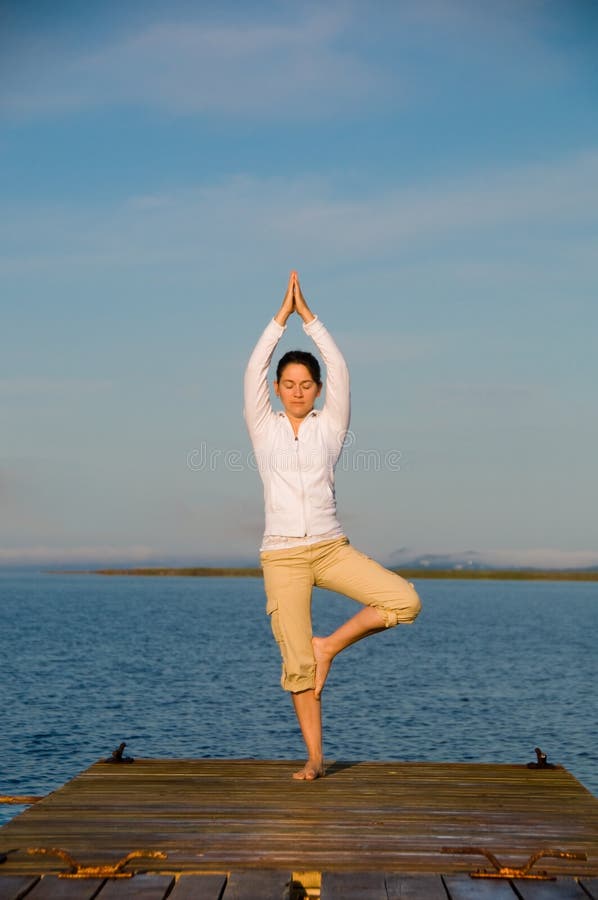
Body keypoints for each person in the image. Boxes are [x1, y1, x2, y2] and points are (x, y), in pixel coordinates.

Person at [243, 271, 422, 781]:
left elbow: (341, 368)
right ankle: (316, 759)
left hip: (329, 547)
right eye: (288, 384)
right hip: (281, 555)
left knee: (404, 601)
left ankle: (330, 647)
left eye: (306, 384)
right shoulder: (264, 427)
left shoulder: (330, 426)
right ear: (277, 390)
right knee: (296, 664)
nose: (297, 391)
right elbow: (253, 367)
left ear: (317, 390)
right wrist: (280, 319)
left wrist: (311, 319)